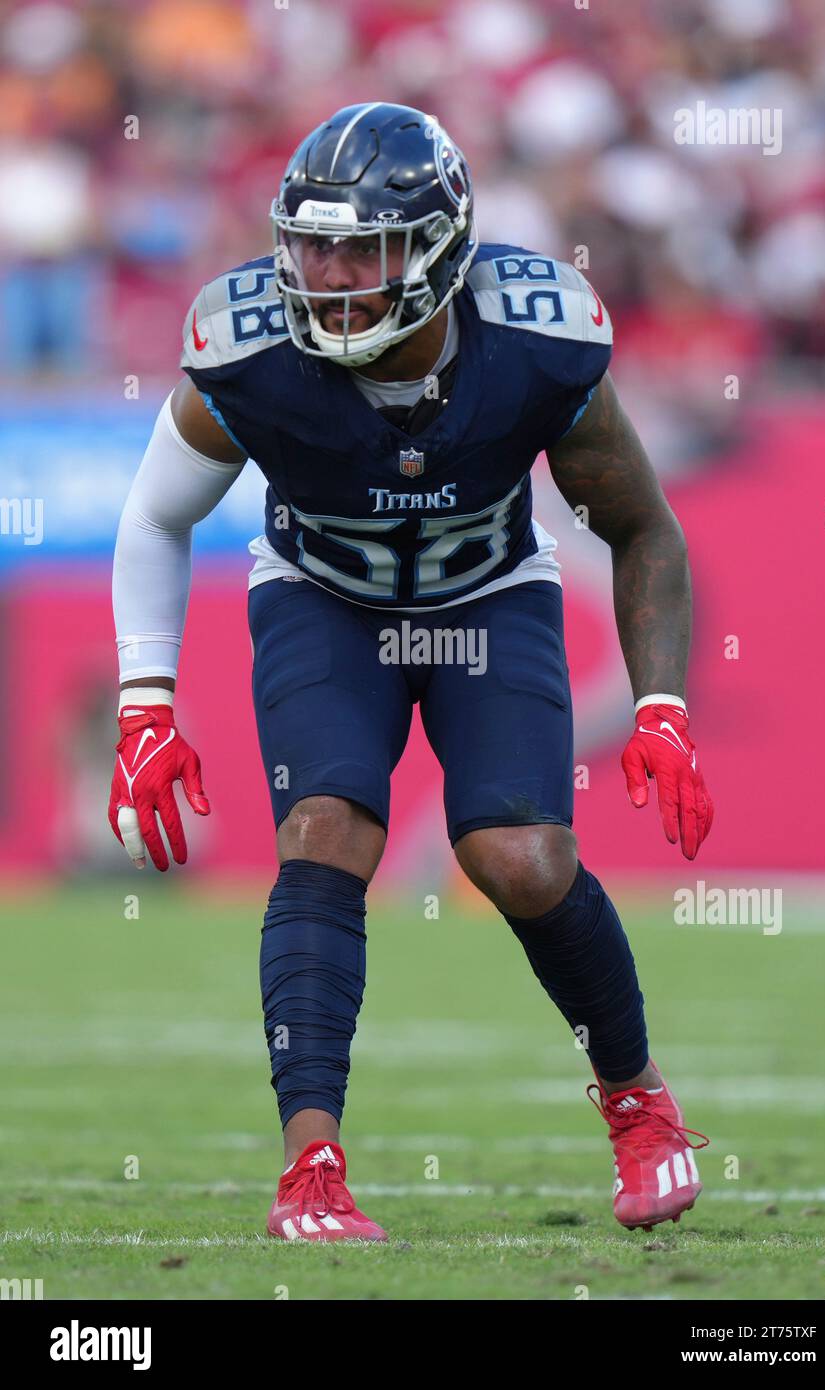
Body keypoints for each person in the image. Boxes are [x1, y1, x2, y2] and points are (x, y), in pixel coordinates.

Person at [109, 102, 713, 1243]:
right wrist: (146, 699)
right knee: (325, 828)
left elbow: (643, 528)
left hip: (488, 596)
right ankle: (312, 1168)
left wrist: (664, 707)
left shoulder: (534, 337)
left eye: (361, 246)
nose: (325, 274)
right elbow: (153, 517)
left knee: (520, 855)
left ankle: (636, 1102)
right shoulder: (246, 343)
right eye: (310, 242)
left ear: (439, 246)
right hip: (320, 598)